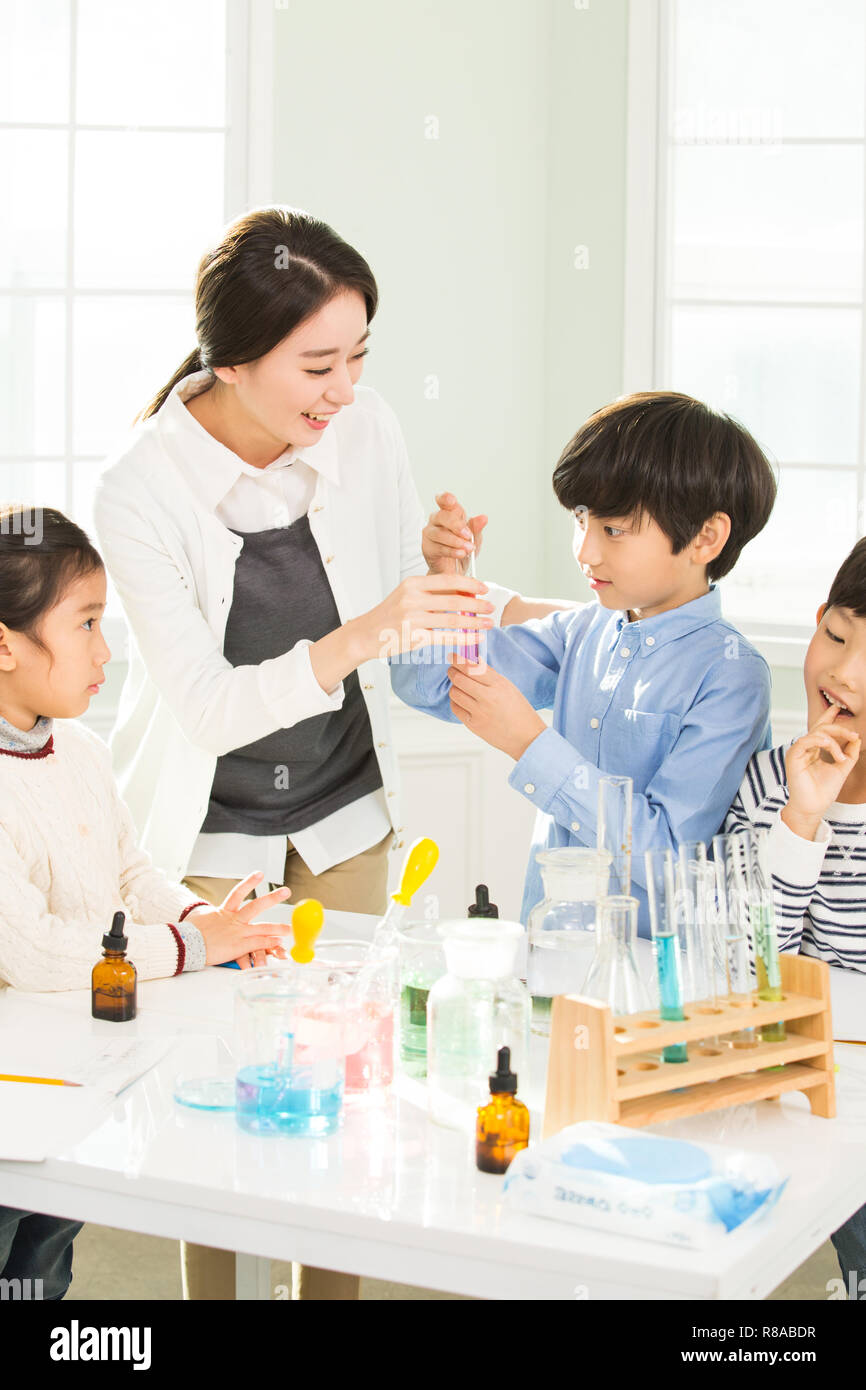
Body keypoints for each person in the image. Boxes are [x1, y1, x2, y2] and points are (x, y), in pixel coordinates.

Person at [93, 204, 532, 1301]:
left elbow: (389, 596)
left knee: (343, 1085)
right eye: (318, 364)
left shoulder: (363, 425)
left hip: (341, 806)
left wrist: (432, 564)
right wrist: (373, 624)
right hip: (202, 834)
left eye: (360, 357)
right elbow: (204, 709)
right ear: (233, 362)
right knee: (215, 1091)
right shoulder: (138, 487)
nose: (344, 390)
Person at [0, 506, 292, 1299]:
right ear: (5, 644)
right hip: (12, 1094)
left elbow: (131, 873)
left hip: (76, 1073)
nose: (106, 651)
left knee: (45, 1260)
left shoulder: (80, 749)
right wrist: (198, 947)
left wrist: (206, 922)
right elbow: (31, 952)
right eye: (87, 625)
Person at [390, 391, 778, 936]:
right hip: (549, 948)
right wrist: (443, 579)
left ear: (706, 537)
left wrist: (530, 743)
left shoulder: (732, 675)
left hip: (653, 979)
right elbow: (430, 687)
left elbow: (667, 856)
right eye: (580, 520)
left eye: (613, 529)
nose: (586, 551)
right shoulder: (583, 629)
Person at [723, 537, 866, 1294]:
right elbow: (751, 970)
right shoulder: (766, 786)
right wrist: (801, 822)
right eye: (837, 635)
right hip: (815, 1092)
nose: (843, 673)